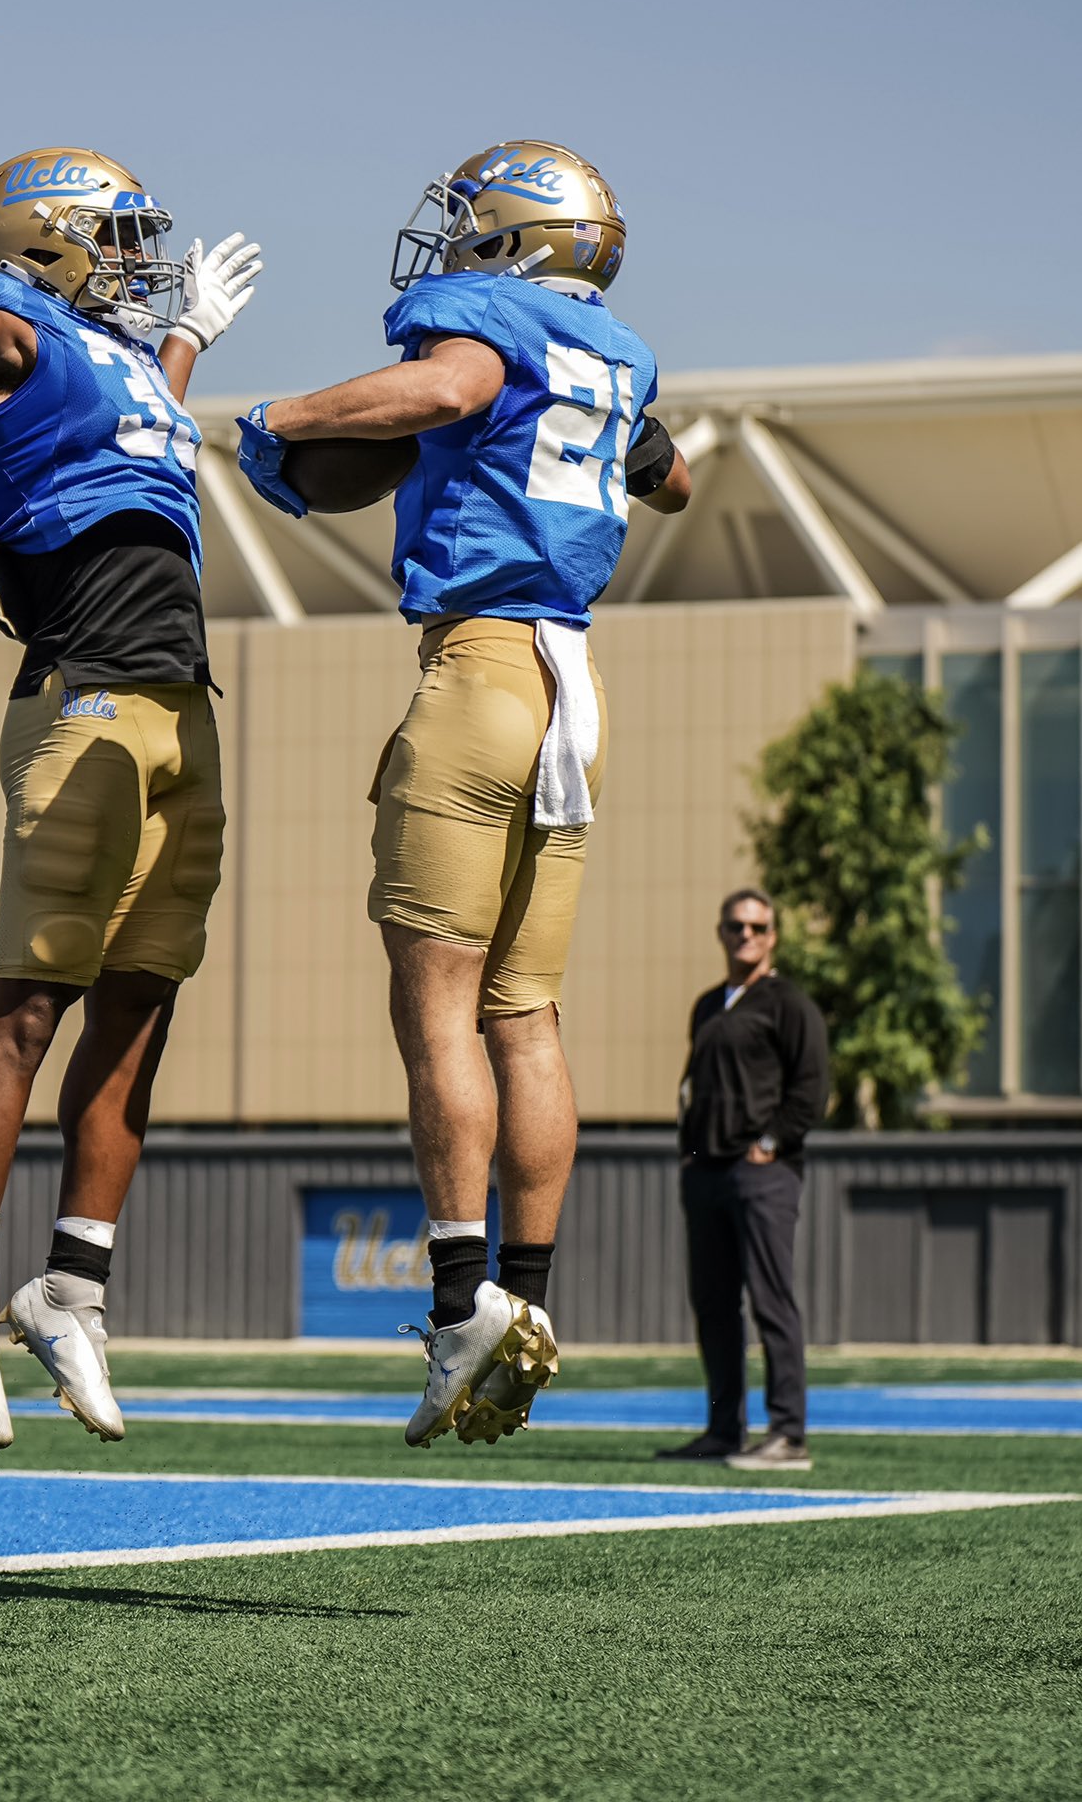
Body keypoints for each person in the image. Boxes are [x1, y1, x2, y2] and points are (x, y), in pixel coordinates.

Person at [237, 142, 690, 1445]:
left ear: (515, 240)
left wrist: (286, 419)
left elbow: (445, 390)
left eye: (471, 227)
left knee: (431, 998)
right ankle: (529, 1302)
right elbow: (674, 478)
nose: (449, 248)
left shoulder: (487, 325)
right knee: (527, 1013)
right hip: (574, 685)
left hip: (480, 666)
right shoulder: (617, 355)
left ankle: (453, 1307)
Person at [0, 34, 262, 1448]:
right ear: (42, 244)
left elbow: (137, 403)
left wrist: (187, 344)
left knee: (141, 1001)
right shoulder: (5, 332)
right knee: (27, 1003)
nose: (137, 260)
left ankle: (70, 1291)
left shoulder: (113, 356)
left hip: (179, 697)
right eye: (112, 240)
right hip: (84, 686)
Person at [657, 889, 829, 1470]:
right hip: (705, 1174)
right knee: (713, 1305)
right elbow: (691, 1086)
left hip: (763, 1175)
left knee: (771, 1300)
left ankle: (789, 1435)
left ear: (773, 935)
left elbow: (811, 1089)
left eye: (757, 927)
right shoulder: (709, 1005)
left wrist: (770, 1144)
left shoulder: (788, 1004)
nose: (746, 936)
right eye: (736, 926)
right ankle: (724, 1430)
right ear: (722, 932)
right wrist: (688, 1154)